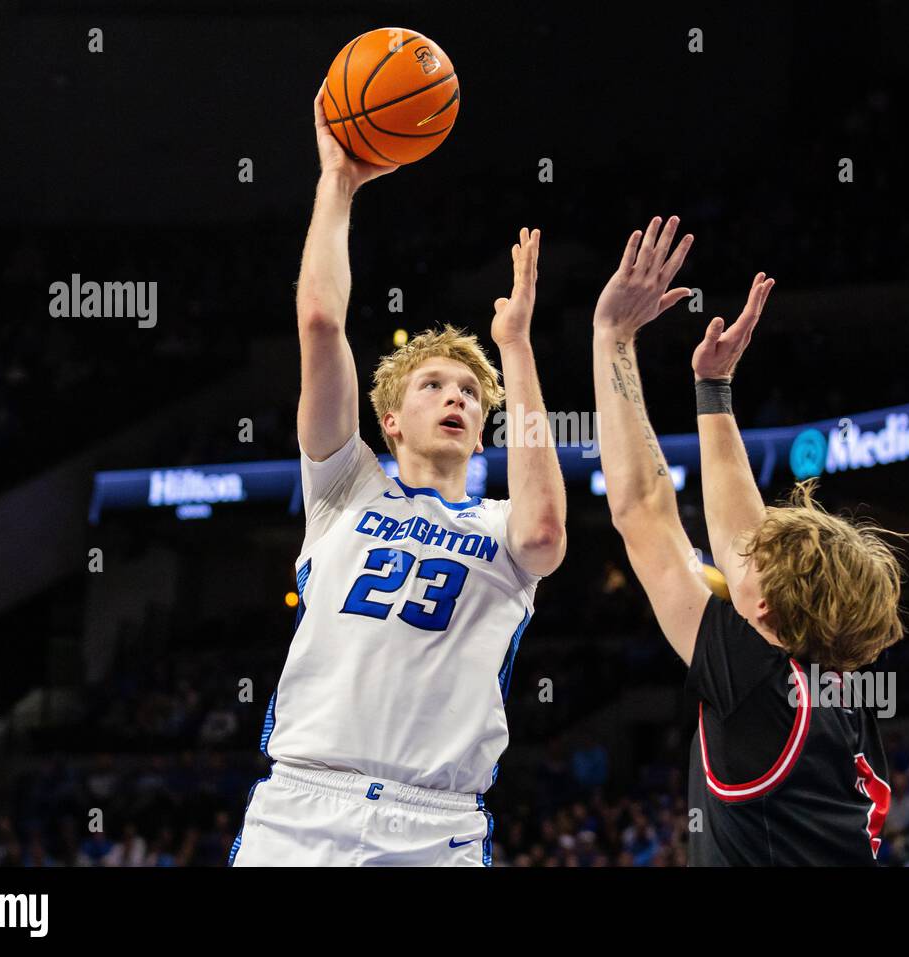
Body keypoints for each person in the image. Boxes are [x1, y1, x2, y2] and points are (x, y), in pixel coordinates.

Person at [229, 84, 566, 867]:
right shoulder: (346, 488)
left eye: (469, 392)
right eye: (434, 386)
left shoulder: (504, 530)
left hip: (435, 821)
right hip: (304, 804)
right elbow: (319, 320)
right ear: (390, 420)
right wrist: (338, 182)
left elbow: (548, 532)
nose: (455, 396)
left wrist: (512, 349)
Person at [590, 215, 907, 864]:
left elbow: (643, 511)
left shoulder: (762, 686)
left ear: (763, 609)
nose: (744, 546)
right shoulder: (827, 683)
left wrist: (614, 338)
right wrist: (713, 392)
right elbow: (741, 537)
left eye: (757, 562)